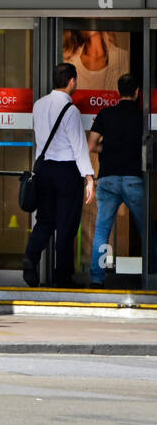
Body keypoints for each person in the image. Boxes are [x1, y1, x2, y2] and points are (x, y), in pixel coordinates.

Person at [23, 63, 96, 287]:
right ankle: (62, 276)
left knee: (45, 220)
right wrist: (89, 177)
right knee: (66, 224)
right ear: (72, 80)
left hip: (44, 169)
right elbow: (78, 146)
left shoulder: (38, 105)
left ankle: (30, 257)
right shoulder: (71, 111)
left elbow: (40, 139)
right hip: (66, 171)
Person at [87, 74, 145, 287]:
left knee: (103, 229)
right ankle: (153, 275)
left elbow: (91, 145)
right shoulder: (143, 116)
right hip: (133, 178)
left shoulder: (106, 113)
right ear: (137, 92)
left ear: (118, 91)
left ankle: (96, 278)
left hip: (108, 178)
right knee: (146, 230)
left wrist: (107, 148)